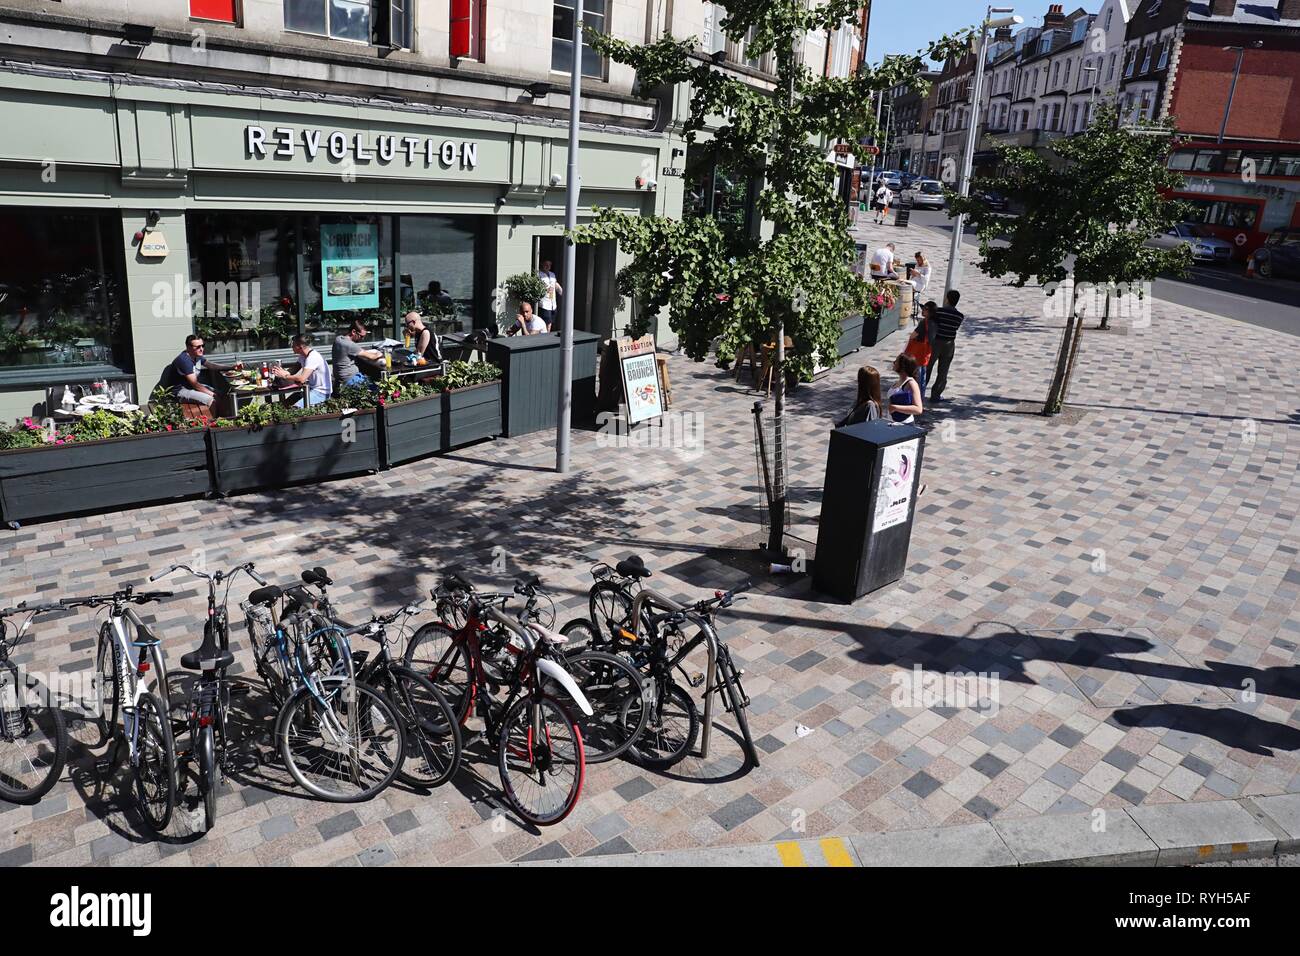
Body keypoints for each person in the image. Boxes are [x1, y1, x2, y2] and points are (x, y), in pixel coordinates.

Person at [162, 334, 241, 407]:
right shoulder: (184, 361)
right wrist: (213, 394)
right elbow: (195, 384)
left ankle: (224, 417)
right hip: (179, 391)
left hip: (190, 387)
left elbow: (211, 366)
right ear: (188, 347)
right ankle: (213, 421)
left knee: (221, 394)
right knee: (212, 400)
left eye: (203, 346)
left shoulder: (197, 356)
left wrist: (232, 367)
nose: (201, 349)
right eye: (198, 347)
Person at [271, 335, 332, 407]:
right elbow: (294, 369)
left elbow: (302, 379)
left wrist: (285, 376)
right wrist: (280, 371)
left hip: (321, 393)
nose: (291, 347)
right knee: (285, 404)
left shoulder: (313, 357)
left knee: (295, 408)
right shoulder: (303, 355)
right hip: (310, 390)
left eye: (293, 345)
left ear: (300, 347)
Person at [928, 289, 966, 403]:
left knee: (927, 367)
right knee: (943, 371)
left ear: (947, 299)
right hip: (949, 344)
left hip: (935, 343)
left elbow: (932, 322)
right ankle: (936, 395)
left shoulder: (939, 311)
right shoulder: (959, 316)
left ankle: (920, 390)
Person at [332, 320, 383, 390]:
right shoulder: (350, 345)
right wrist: (381, 353)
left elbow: (361, 352)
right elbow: (372, 357)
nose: (362, 339)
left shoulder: (338, 339)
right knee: (378, 388)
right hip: (351, 379)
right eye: (361, 336)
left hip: (340, 377)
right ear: (353, 332)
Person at [904, 301, 936, 397]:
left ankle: (915, 398)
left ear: (929, 311)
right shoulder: (934, 323)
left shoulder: (924, 323)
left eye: (925, 309)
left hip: (918, 352)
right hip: (926, 353)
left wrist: (910, 337)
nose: (922, 310)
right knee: (922, 377)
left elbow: (913, 335)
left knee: (916, 376)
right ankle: (920, 398)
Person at [887, 354, 924, 423]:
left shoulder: (911, 383)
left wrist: (895, 408)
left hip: (904, 424)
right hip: (892, 422)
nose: (894, 363)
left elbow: (918, 409)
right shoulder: (899, 381)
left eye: (896, 362)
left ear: (902, 367)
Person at [537, 259, 562, 330]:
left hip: (553, 303)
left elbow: (555, 284)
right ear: (542, 264)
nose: (548, 266)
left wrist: (563, 292)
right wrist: (545, 290)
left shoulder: (552, 274)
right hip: (544, 303)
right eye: (546, 265)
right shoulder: (538, 274)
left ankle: (547, 336)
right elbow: (536, 287)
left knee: (550, 323)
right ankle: (545, 338)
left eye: (549, 265)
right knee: (546, 323)